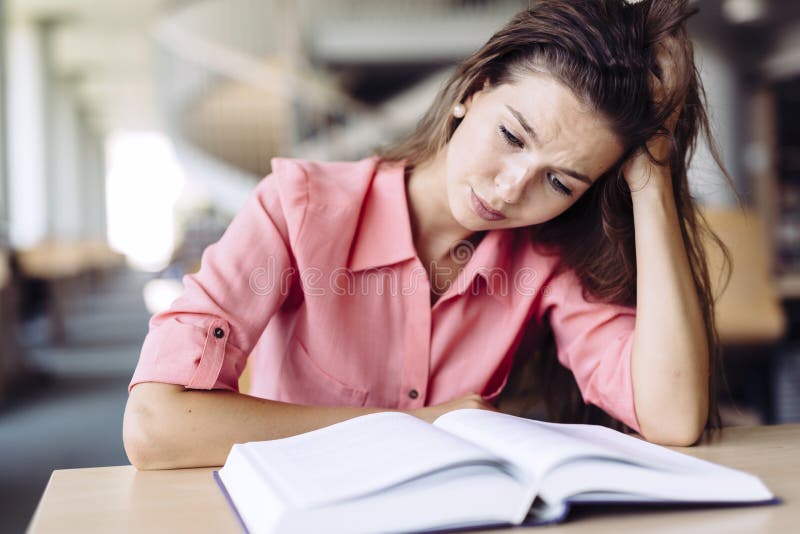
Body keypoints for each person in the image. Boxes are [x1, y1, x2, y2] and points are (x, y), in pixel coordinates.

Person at [123, 0, 731, 470]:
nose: (512, 190)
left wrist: (652, 182)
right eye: (513, 137)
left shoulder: (548, 254)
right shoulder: (297, 207)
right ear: (475, 92)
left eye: (560, 181)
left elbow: (672, 415)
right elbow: (155, 424)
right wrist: (415, 424)